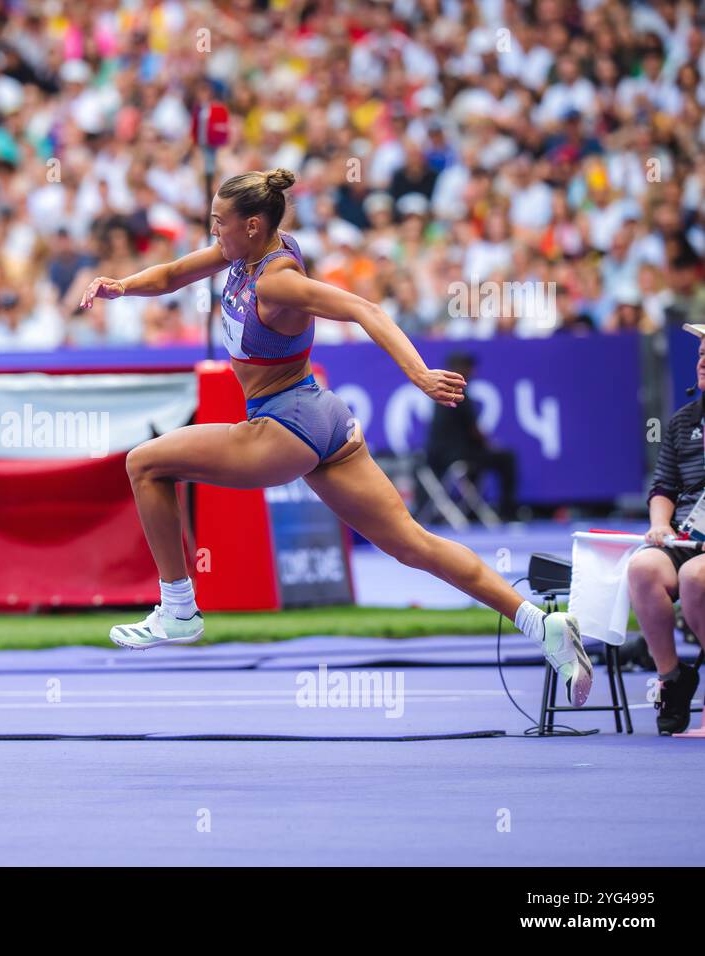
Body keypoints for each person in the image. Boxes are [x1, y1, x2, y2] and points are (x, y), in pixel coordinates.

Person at [79, 168, 593, 706]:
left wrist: (418, 375)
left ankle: (179, 609)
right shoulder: (241, 255)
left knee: (144, 463)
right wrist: (122, 286)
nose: (212, 232)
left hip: (284, 425)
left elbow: (363, 309)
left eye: (219, 223)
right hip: (325, 421)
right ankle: (541, 625)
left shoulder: (277, 282)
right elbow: (170, 275)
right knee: (413, 545)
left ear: (253, 226)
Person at [626, 324, 705, 734]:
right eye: (700, 353)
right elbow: (663, 487)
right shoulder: (680, 422)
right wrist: (659, 525)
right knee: (643, 568)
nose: (703, 360)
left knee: (696, 577)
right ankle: (674, 679)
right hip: (687, 537)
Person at [423, 351, 521, 522]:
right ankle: (508, 512)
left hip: (442, 455)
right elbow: (474, 432)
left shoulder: (441, 395)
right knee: (506, 458)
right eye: (468, 368)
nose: (472, 372)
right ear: (457, 369)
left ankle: (472, 513)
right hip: (455, 456)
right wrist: (491, 446)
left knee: (481, 460)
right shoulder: (457, 395)